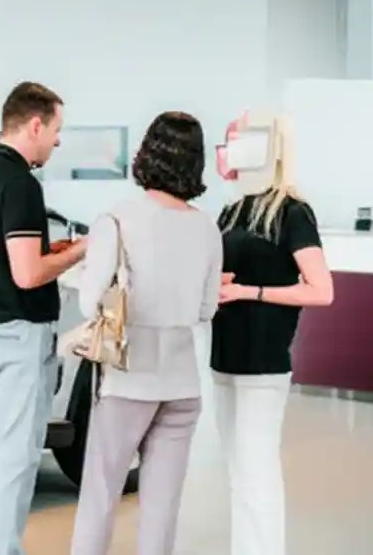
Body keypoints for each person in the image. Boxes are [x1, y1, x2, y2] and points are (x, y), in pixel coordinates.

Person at [68, 111, 223, 555]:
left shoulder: (117, 220)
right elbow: (206, 308)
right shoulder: (207, 227)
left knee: (100, 496)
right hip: (181, 383)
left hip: (127, 380)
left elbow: (89, 301)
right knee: (161, 509)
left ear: (146, 154)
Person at [0, 81, 88, 555]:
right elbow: (29, 274)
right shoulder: (21, 184)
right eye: (56, 130)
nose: (57, 141)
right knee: (18, 458)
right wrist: (79, 253)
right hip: (20, 333)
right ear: (35, 124)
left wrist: (39, 253)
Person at [212, 110, 334, 555]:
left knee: (257, 472)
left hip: (264, 362)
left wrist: (250, 290)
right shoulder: (232, 210)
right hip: (224, 359)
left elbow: (321, 290)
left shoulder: (292, 212)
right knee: (236, 473)